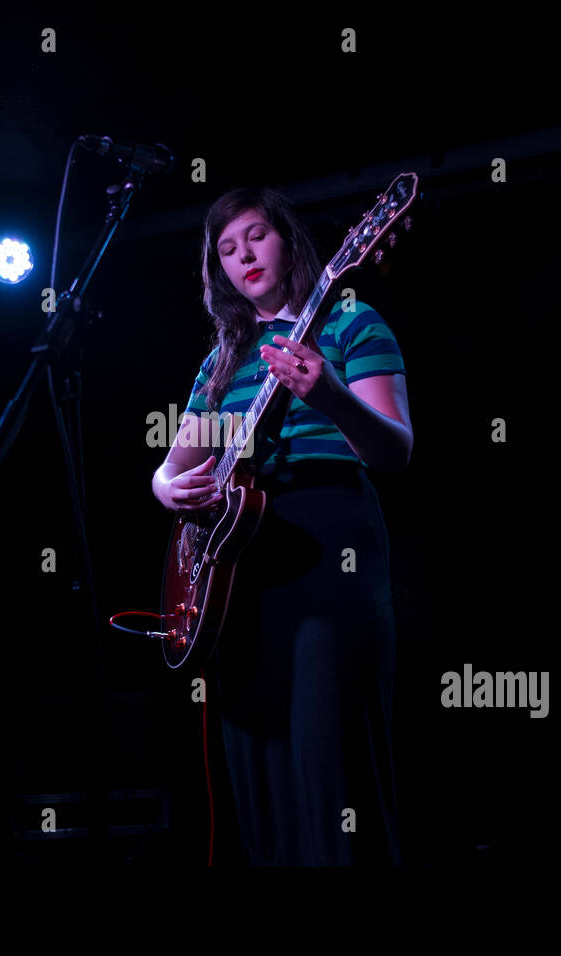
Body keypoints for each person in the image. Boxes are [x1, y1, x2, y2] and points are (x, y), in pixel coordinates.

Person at [151, 186, 412, 866]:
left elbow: (394, 450)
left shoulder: (353, 322)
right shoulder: (223, 360)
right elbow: (171, 467)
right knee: (256, 753)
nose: (243, 257)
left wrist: (328, 396)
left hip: (328, 540)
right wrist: (167, 488)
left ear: (289, 242)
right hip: (239, 562)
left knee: (326, 752)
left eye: (255, 237)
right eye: (227, 251)